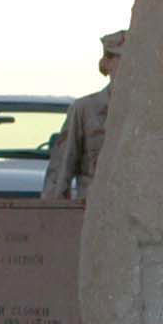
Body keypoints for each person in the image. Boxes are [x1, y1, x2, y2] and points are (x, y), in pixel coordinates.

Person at [41, 26, 126, 201]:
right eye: (121, 59)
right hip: (91, 209)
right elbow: (62, 167)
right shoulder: (86, 110)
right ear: (107, 63)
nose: (128, 66)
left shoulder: (152, 115)